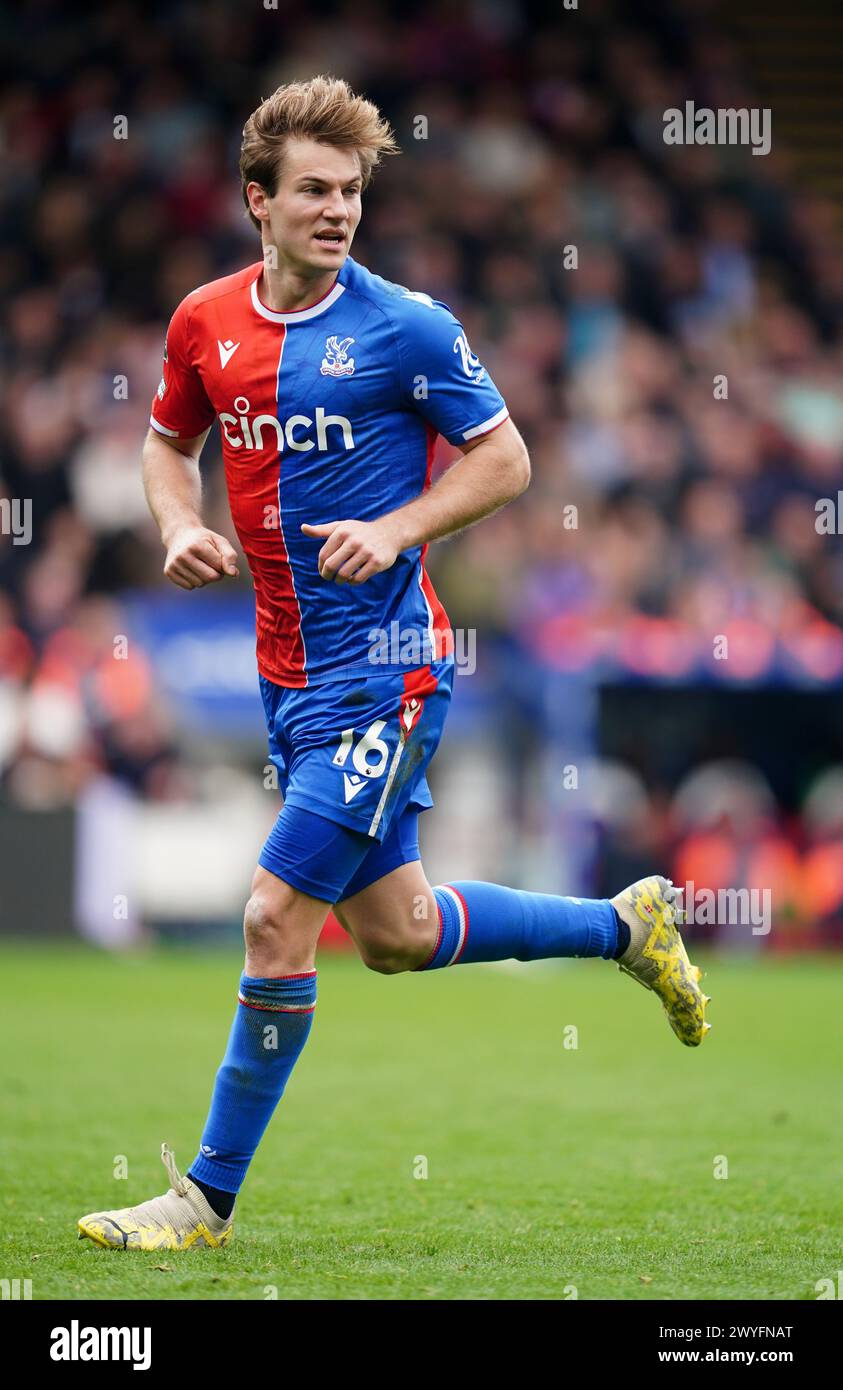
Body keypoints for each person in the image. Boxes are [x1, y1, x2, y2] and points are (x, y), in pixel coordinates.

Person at [78, 76, 709, 1252]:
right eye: (313, 191)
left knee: (275, 915)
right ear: (256, 202)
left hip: (391, 670)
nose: (338, 211)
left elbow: (508, 459)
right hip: (287, 680)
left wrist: (402, 526)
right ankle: (626, 928)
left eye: (353, 191)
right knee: (398, 935)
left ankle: (203, 1200)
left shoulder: (406, 326)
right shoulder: (203, 322)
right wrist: (176, 525)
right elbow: (168, 445)